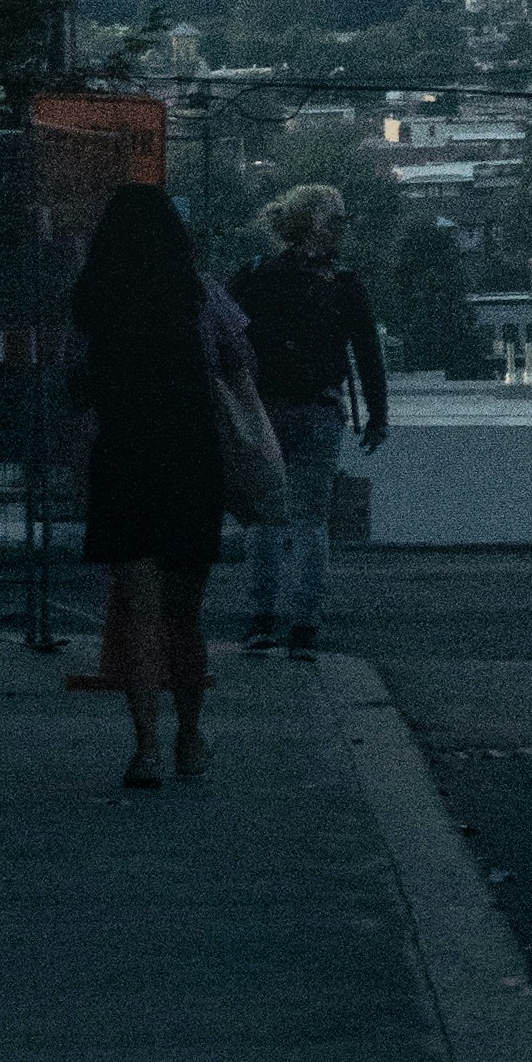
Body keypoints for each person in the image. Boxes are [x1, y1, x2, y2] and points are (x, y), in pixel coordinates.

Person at [67, 183, 249, 789]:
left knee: (140, 616)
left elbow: (76, 388)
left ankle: (145, 748)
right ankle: (190, 738)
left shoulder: (93, 301)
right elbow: (241, 362)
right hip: (192, 462)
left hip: (124, 462)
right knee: (184, 616)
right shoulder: (200, 296)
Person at [229, 184, 388, 656]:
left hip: (262, 412)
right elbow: (366, 353)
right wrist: (377, 415)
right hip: (319, 410)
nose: (342, 230)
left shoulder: (252, 277)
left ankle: (261, 617)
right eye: (334, 221)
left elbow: (228, 343)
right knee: (311, 521)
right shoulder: (342, 283)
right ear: (312, 228)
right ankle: (304, 622)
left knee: (264, 518)